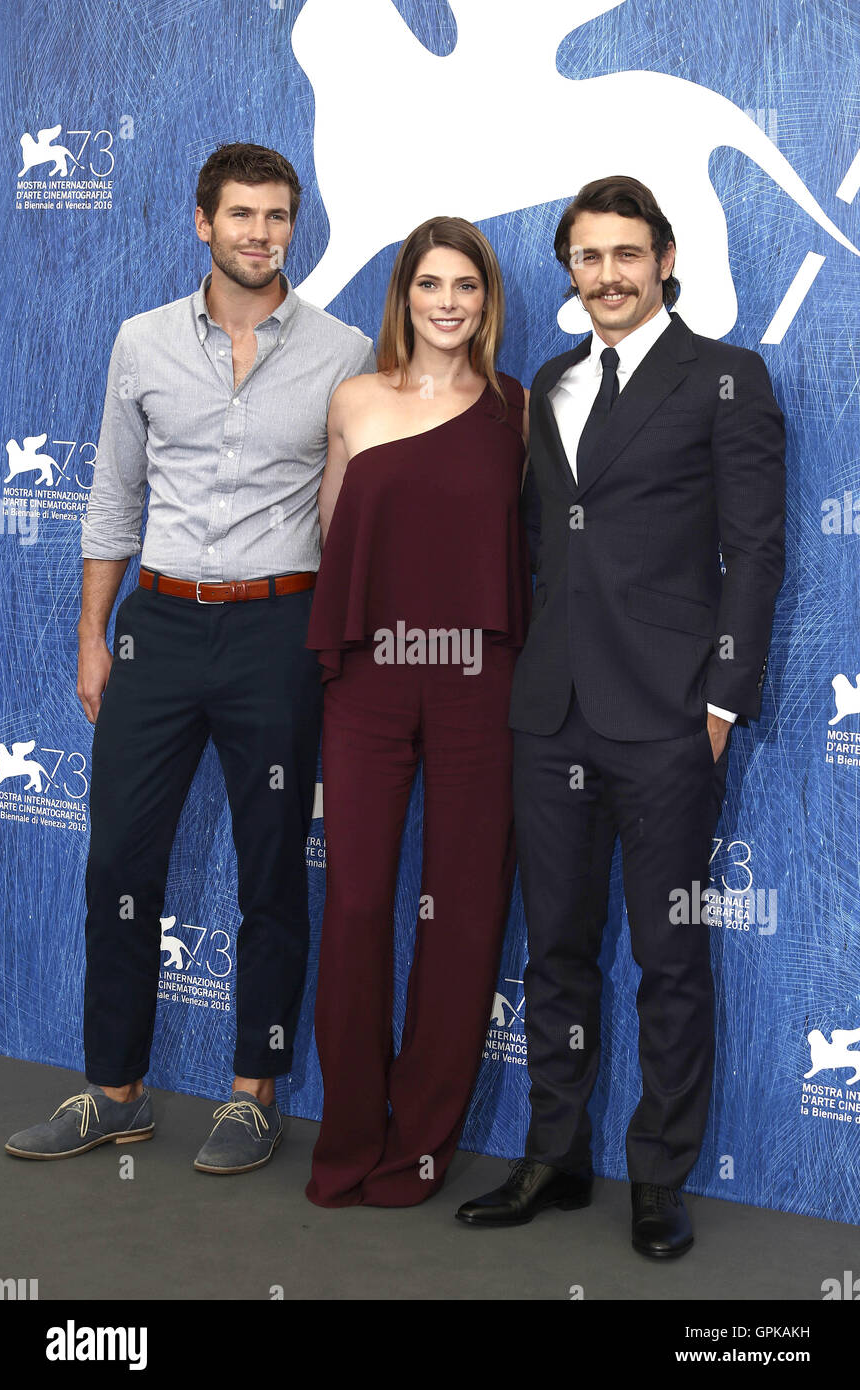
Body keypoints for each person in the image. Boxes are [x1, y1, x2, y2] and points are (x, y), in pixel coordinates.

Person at [5, 143, 374, 1173]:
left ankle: (252, 1094)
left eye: (279, 216)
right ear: (201, 223)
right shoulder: (142, 341)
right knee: (120, 860)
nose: (262, 233)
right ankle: (113, 1090)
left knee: (270, 866)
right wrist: (92, 635)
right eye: (243, 215)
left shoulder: (344, 351)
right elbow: (114, 497)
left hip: (278, 631)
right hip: (156, 626)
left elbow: (356, 516)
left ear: (295, 226)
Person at [456, 175, 785, 1255]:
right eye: (588, 258)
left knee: (671, 955)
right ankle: (555, 1157)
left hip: (667, 718)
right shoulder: (547, 382)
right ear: (570, 272)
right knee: (555, 948)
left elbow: (755, 551)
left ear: (666, 257)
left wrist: (723, 700)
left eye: (626, 254)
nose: (608, 275)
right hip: (549, 712)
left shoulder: (728, 380)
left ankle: (659, 1175)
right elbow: (546, 548)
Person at [304, 216, 531, 1207]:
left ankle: (421, 1148)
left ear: (487, 302)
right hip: (369, 677)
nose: (449, 301)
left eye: (467, 287)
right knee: (355, 904)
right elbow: (330, 529)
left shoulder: (516, 410)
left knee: (466, 911)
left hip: (481, 678)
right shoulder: (352, 398)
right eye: (432, 283)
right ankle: (350, 1139)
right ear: (403, 294)